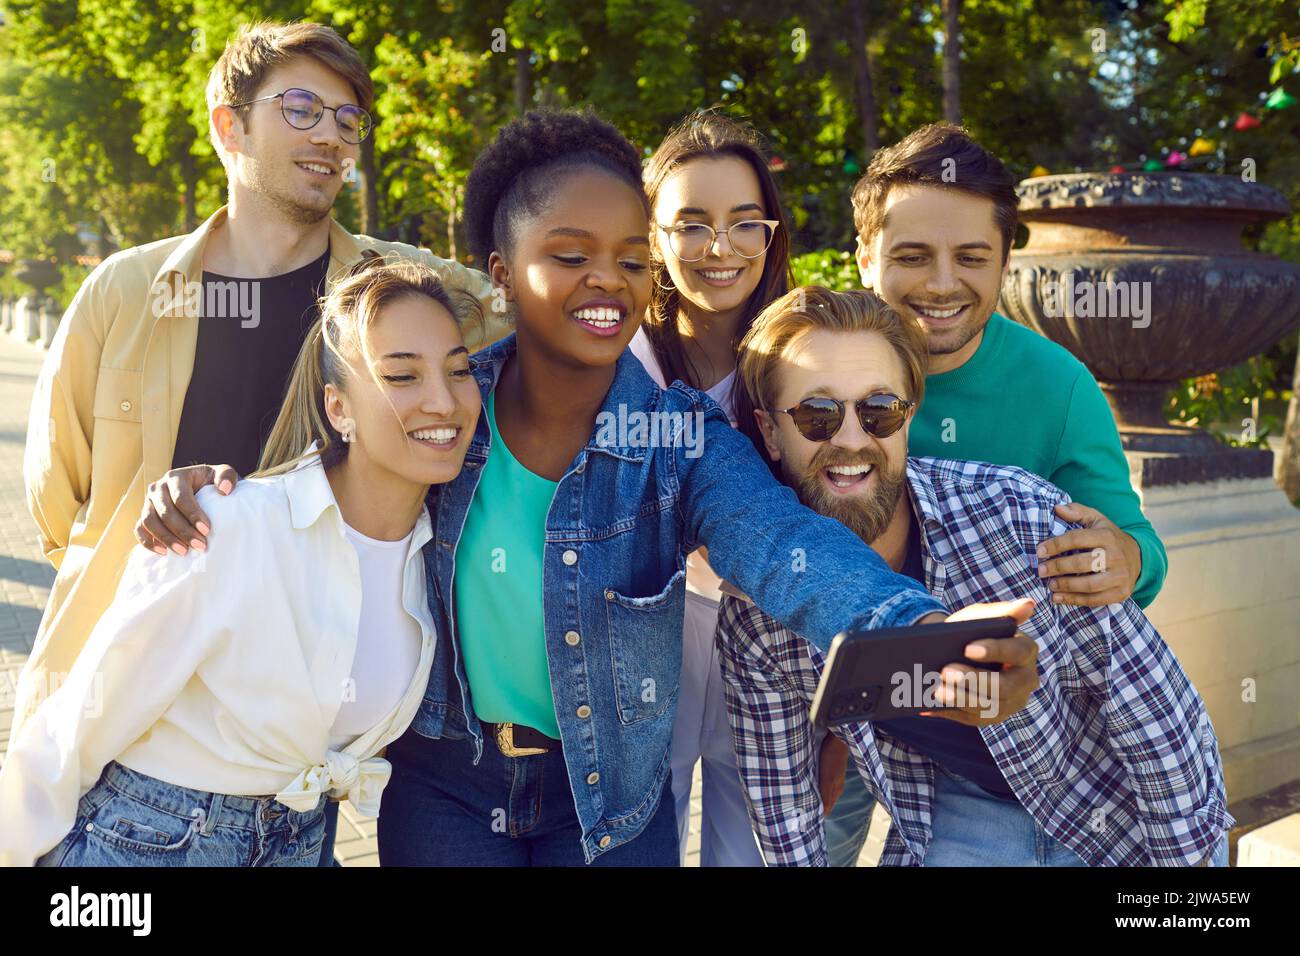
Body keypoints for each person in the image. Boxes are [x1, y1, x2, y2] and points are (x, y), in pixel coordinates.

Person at [141, 109, 1043, 867]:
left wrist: (919, 630)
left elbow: (785, 547)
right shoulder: (445, 411)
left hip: (614, 799)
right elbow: (318, 481)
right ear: (501, 272)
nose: (605, 278)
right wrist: (207, 496)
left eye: (629, 254)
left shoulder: (681, 436)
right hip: (445, 786)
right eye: (568, 254)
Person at [16, 20, 509, 865]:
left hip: (292, 765)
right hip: (123, 733)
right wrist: (167, 529)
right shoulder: (126, 293)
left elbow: (540, 308)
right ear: (228, 123)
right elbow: (58, 503)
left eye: (349, 120)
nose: (331, 135)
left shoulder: (388, 292)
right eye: (302, 108)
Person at [720, 285, 1231, 866]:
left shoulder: (1017, 515)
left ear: (909, 416)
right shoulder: (756, 617)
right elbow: (784, 811)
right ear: (767, 431)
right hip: (959, 810)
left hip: (1114, 805)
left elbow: (1157, 719)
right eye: (817, 414)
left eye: (879, 409)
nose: (852, 437)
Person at [0, 259, 481, 867]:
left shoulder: (438, 552)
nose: (442, 401)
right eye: (401, 376)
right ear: (339, 409)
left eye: (459, 370)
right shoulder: (228, 528)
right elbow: (78, 723)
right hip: (147, 846)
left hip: (298, 843)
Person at [820, 122, 1171, 865]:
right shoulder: (816, 369)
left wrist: (1123, 562)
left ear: (1007, 259)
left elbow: (1141, 553)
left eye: (971, 258)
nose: (942, 283)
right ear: (864, 257)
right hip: (845, 700)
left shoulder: (1058, 387)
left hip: (1002, 736)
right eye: (912, 256)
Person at [632, 109, 792, 866]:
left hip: (770, 634)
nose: (719, 248)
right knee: (644, 828)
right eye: (691, 224)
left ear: (770, 233)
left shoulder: (805, 350)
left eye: (743, 222)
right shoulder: (618, 353)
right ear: (655, 238)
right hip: (645, 625)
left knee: (752, 845)